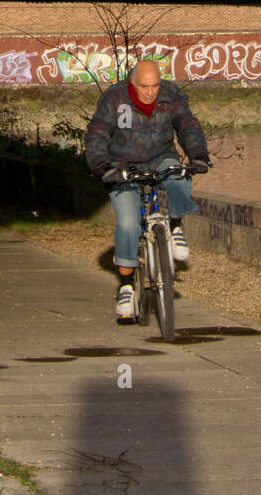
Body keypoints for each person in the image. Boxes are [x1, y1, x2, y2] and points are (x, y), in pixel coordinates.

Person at [85, 59, 212, 322]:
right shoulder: (114, 98)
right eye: (145, 86)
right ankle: (127, 286)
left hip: (160, 157)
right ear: (132, 83)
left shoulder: (172, 95)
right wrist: (102, 166)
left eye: (155, 85)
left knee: (178, 176)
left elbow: (188, 126)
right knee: (130, 224)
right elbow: (97, 133)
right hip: (122, 164)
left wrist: (198, 155)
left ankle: (175, 227)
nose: (151, 92)